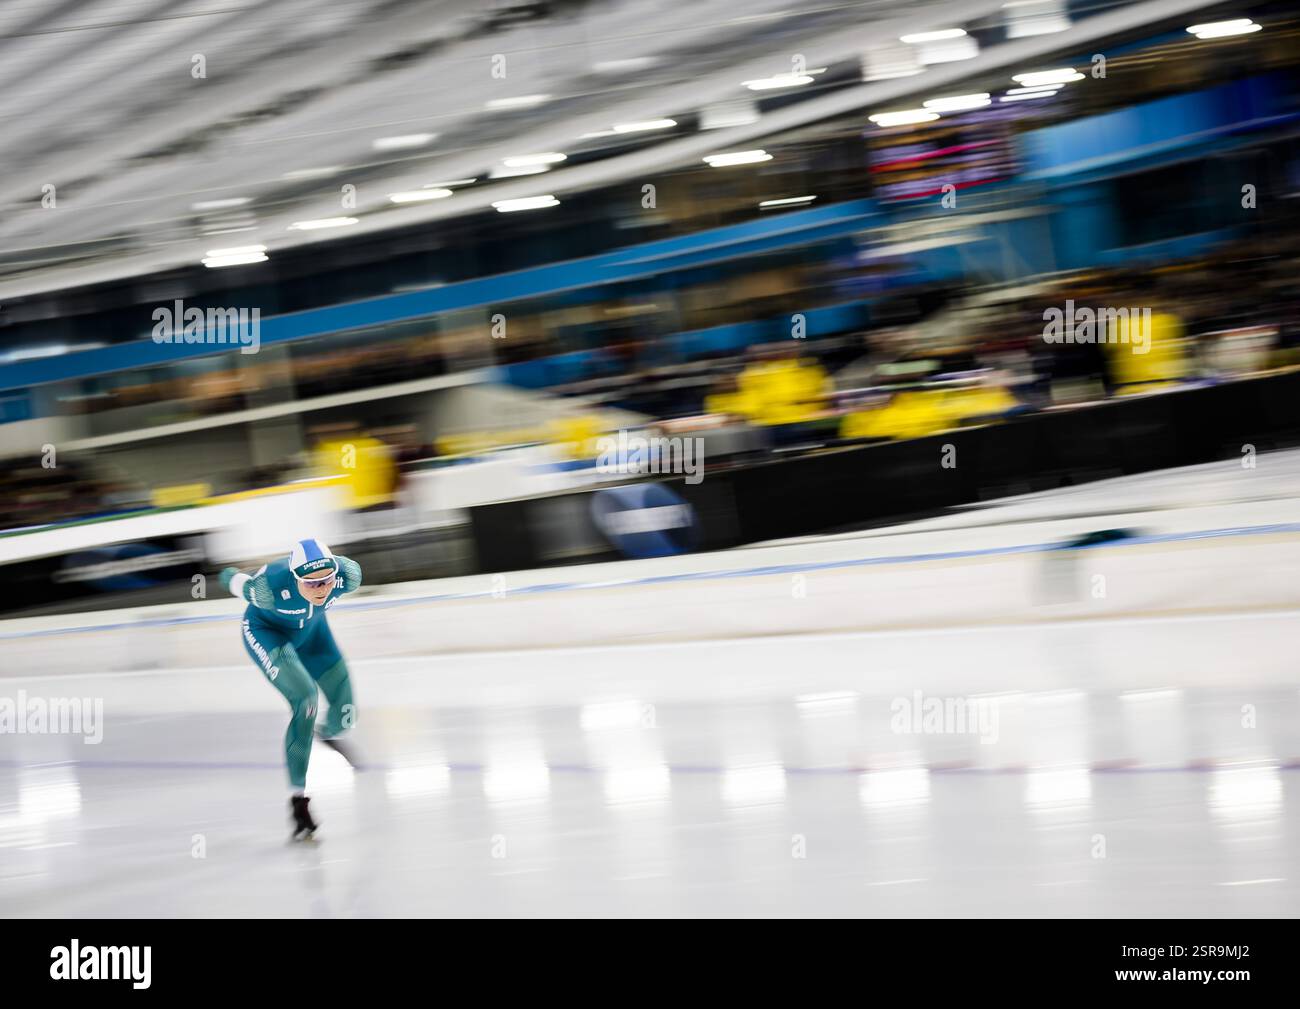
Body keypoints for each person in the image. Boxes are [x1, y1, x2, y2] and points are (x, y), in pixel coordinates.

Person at [220, 539, 363, 839]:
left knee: (347, 711)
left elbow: (328, 580)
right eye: (310, 584)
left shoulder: (347, 575)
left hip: (313, 635)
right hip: (269, 634)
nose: (320, 589)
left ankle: (327, 732)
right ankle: (298, 798)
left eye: (325, 581)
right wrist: (224, 571)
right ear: (295, 578)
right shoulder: (267, 588)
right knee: (306, 701)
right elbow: (229, 578)